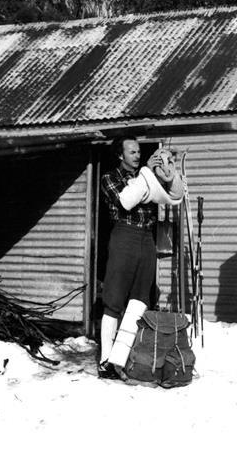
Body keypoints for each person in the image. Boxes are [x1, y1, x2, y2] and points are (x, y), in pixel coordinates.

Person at [97, 137, 163, 379]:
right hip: (124, 235)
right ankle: (106, 361)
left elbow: (165, 194)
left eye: (139, 152)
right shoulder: (109, 178)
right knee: (114, 298)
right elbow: (126, 201)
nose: (137, 155)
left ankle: (126, 358)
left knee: (140, 299)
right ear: (120, 155)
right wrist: (147, 172)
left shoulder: (145, 176)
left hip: (147, 237)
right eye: (132, 152)